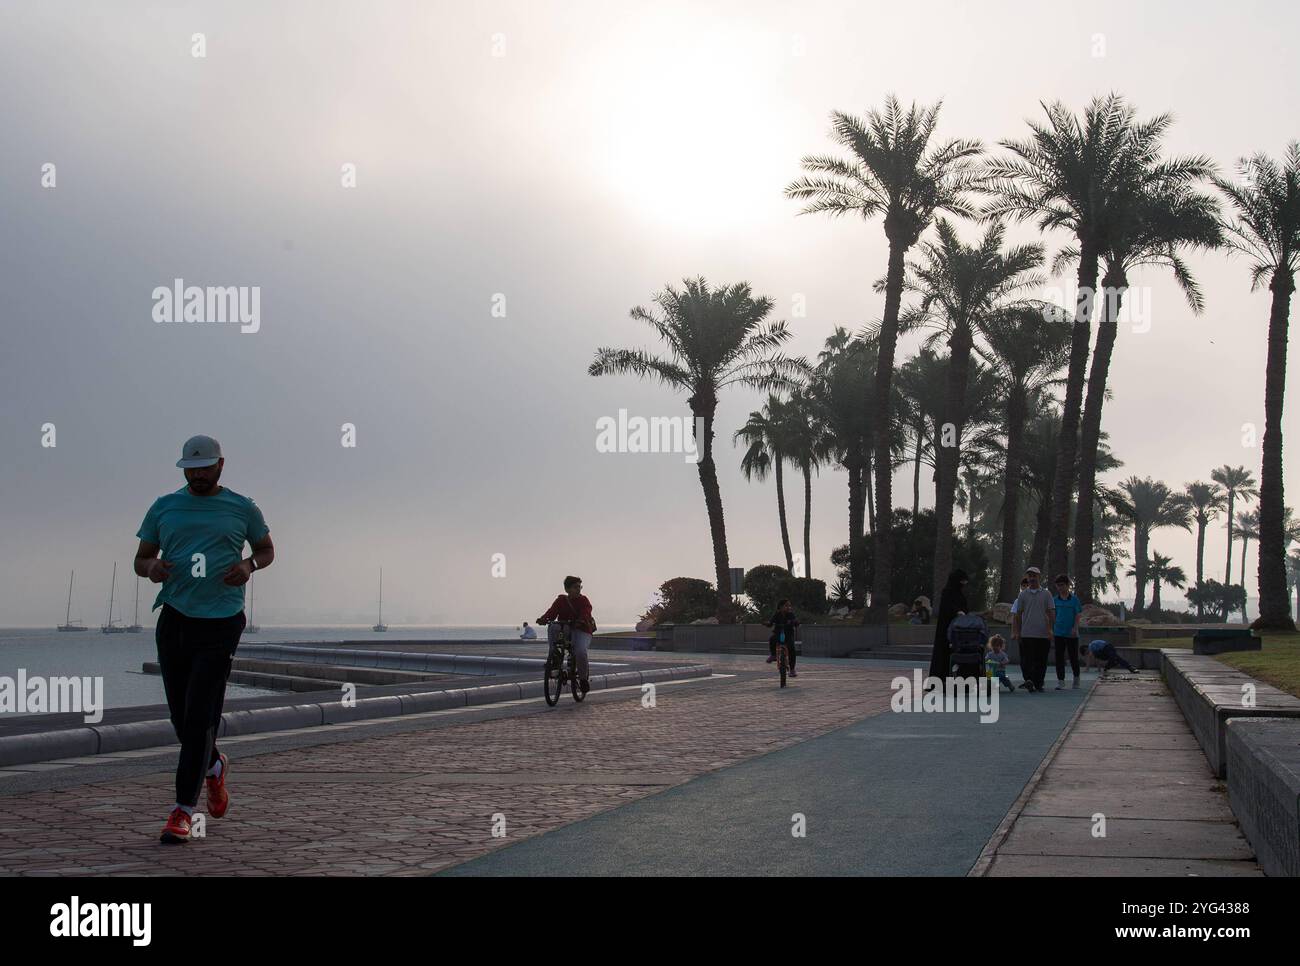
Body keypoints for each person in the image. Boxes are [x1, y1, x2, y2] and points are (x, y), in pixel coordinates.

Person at [134, 435, 273, 844]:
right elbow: (140, 559)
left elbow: (266, 549)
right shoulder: (164, 506)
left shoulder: (242, 507)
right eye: (190, 469)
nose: (196, 475)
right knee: (181, 716)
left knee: (198, 718)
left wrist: (249, 565)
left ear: (221, 466)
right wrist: (152, 568)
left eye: (204, 468)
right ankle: (213, 767)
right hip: (175, 618)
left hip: (222, 621)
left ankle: (181, 811)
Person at [537, 576, 596, 694]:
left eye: (579, 587)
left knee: (580, 652)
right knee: (553, 626)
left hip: (582, 630)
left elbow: (586, 612)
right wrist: (544, 619)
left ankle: (583, 679)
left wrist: (581, 619)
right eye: (575, 587)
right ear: (567, 589)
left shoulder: (584, 600)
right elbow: (551, 612)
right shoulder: (561, 601)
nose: (578, 590)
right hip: (567, 628)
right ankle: (554, 655)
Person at [1011, 567, 1054, 692]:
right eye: (1030, 576)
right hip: (1027, 633)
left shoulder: (1047, 594)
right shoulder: (1022, 595)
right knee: (1026, 660)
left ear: (1039, 577)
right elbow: (1018, 615)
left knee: (1041, 660)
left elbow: (1051, 612)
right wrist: (1017, 632)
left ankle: (1039, 683)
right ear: (1027, 578)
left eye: (1034, 576)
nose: (1032, 578)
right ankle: (1029, 680)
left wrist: (1051, 629)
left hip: (1043, 633)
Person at [929, 570, 969, 681]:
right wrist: (957, 611)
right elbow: (947, 607)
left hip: (959, 628)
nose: (964, 584)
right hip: (946, 629)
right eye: (962, 581)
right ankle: (939, 680)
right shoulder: (947, 592)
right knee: (942, 654)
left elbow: (965, 607)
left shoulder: (960, 593)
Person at [1052, 574, 1083, 689]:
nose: (1060, 588)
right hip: (1058, 633)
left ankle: (1076, 679)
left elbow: (1078, 615)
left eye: (1062, 585)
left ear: (1067, 585)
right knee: (1059, 658)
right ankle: (1061, 681)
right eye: (1058, 585)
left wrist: (1075, 628)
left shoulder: (1074, 600)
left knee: (1073, 657)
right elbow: (1052, 615)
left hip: (1072, 634)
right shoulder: (1054, 600)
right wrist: (1053, 627)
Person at [764, 598, 800, 676]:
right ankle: (773, 655)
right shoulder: (776, 615)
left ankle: (792, 669)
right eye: (786, 606)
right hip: (778, 633)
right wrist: (767, 623)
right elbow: (770, 623)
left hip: (788, 635)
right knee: (772, 639)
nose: (788, 607)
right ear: (780, 607)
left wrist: (795, 622)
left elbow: (796, 622)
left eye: (789, 606)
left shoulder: (791, 614)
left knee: (792, 649)